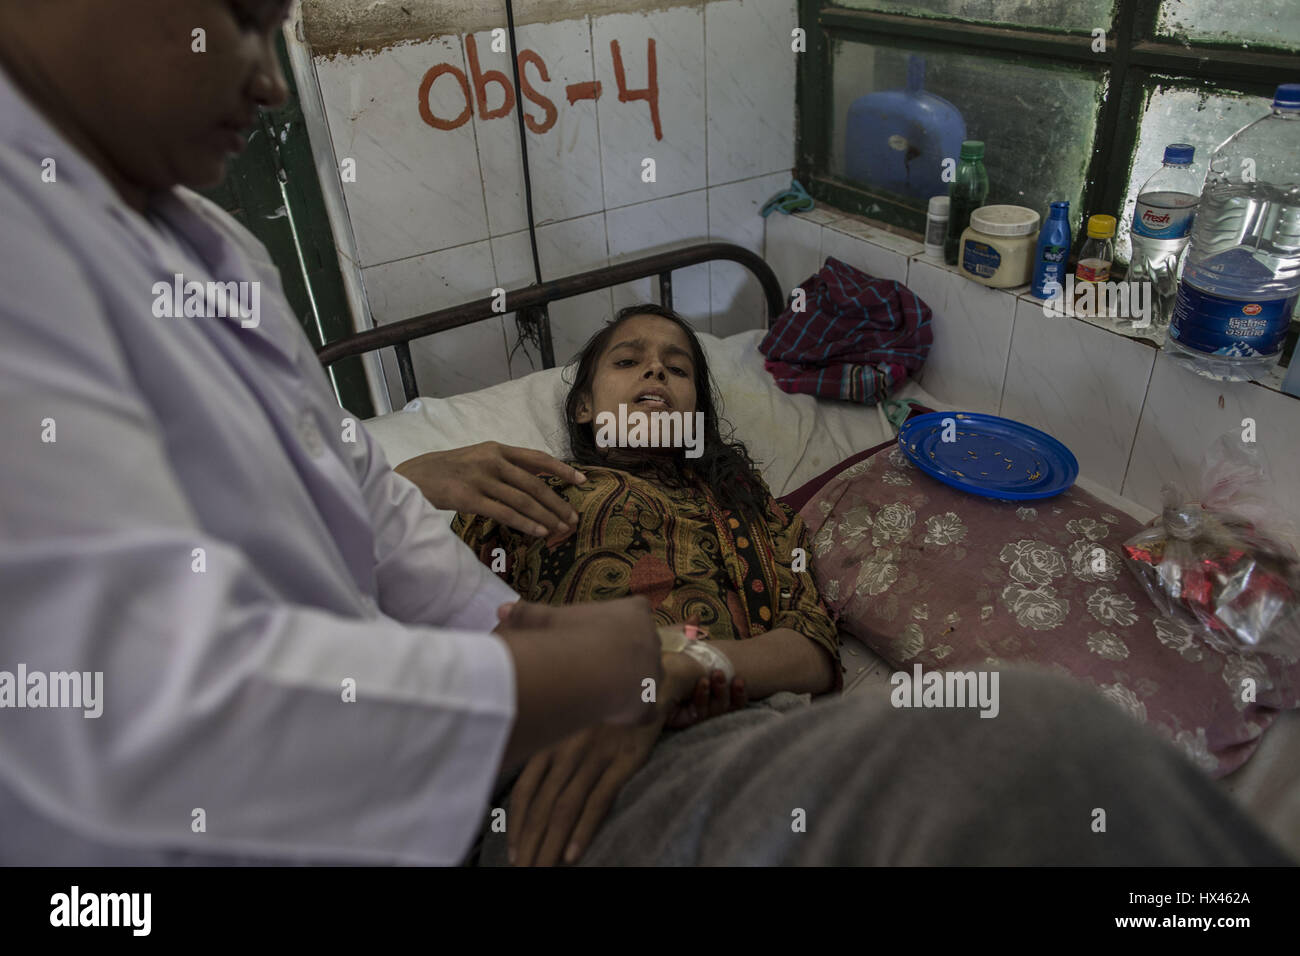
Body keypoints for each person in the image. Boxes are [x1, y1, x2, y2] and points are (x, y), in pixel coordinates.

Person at [0, 0, 672, 865]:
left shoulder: (212, 243)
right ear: (578, 403)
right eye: (244, 19)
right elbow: (140, 706)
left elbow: (363, 490)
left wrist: (511, 637)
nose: (273, 82)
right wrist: (559, 678)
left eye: (678, 365)